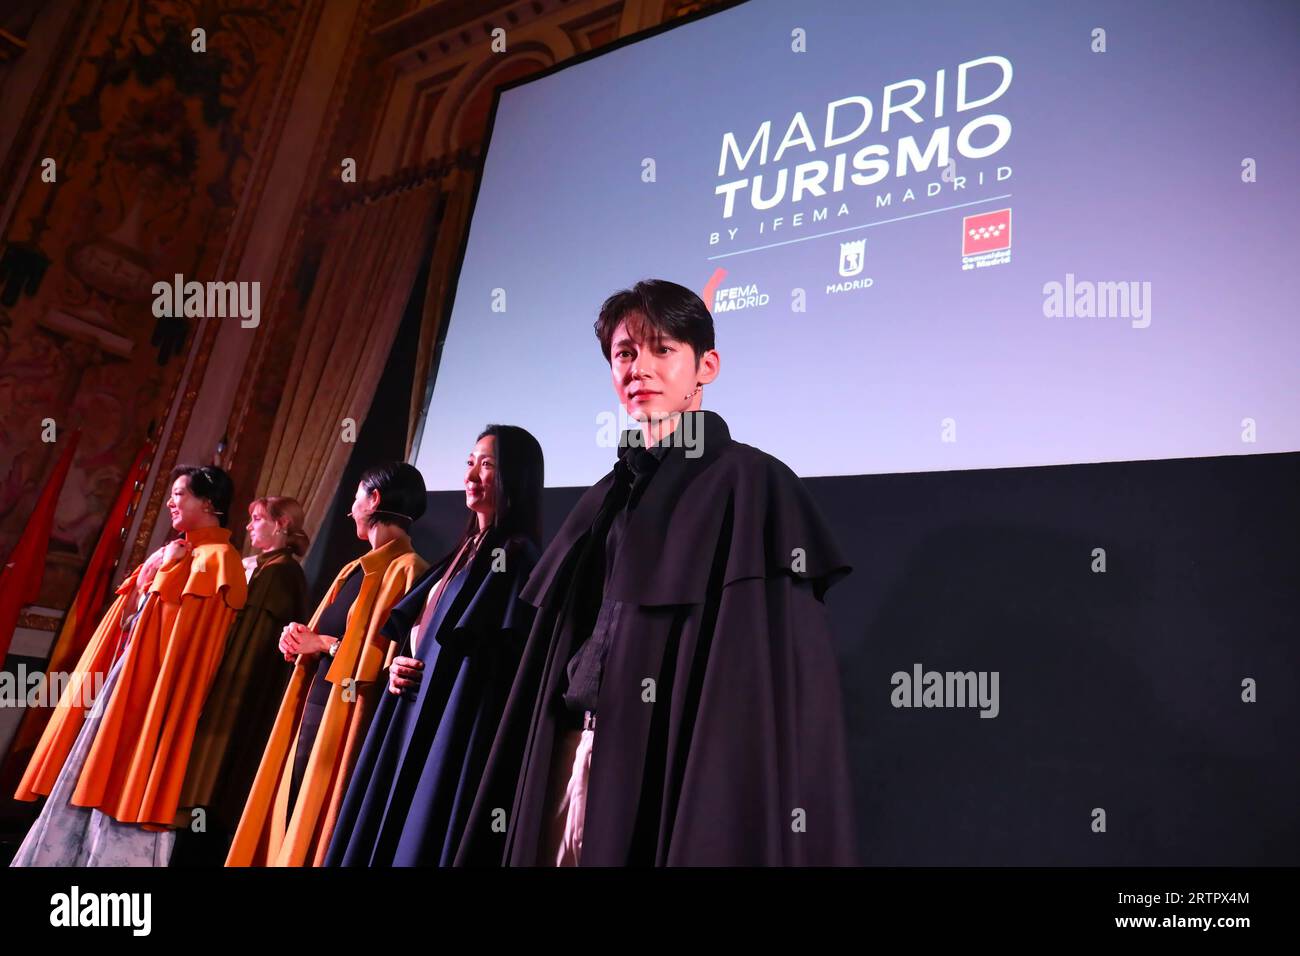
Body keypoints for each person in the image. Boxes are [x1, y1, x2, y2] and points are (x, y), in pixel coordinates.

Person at [468, 279, 857, 866]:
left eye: (663, 350)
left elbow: (762, 676)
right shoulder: (603, 497)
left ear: (707, 365)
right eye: (625, 353)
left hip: (670, 767)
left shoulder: (751, 485)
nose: (639, 368)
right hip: (574, 750)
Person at [325, 426, 543, 866]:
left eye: (488, 465)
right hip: (410, 707)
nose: (472, 474)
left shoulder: (517, 555)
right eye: (470, 462)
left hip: (451, 721)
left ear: (514, 477)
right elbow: (421, 626)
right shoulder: (462, 551)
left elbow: (499, 660)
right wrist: (402, 660)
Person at [12, 465, 247, 866]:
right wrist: (156, 572)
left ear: (208, 503)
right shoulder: (177, 551)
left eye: (180, 494)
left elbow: (178, 641)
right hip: (125, 682)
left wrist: (164, 572)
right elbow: (130, 621)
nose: (172, 503)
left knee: (128, 785)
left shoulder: (218, 560)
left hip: (153, 696)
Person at [226, 462, 428, 866]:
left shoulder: (409, 570)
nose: (349, 508)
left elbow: (382, 663)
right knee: (288, 806)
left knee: (316, 816)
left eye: (355, 497)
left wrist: (321, 642)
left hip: (347, 714)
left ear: (374, 500)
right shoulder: (353, 568)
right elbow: (319, 636)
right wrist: (298, 640)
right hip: (312, 703)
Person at [171, 496, 310, 864]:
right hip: (232, 690)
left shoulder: (281, 573)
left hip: (240, 697)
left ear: (281, 524)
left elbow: (252, 647)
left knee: (213, 775)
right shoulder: (265, 567)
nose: (249, 526)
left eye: (258, 518)